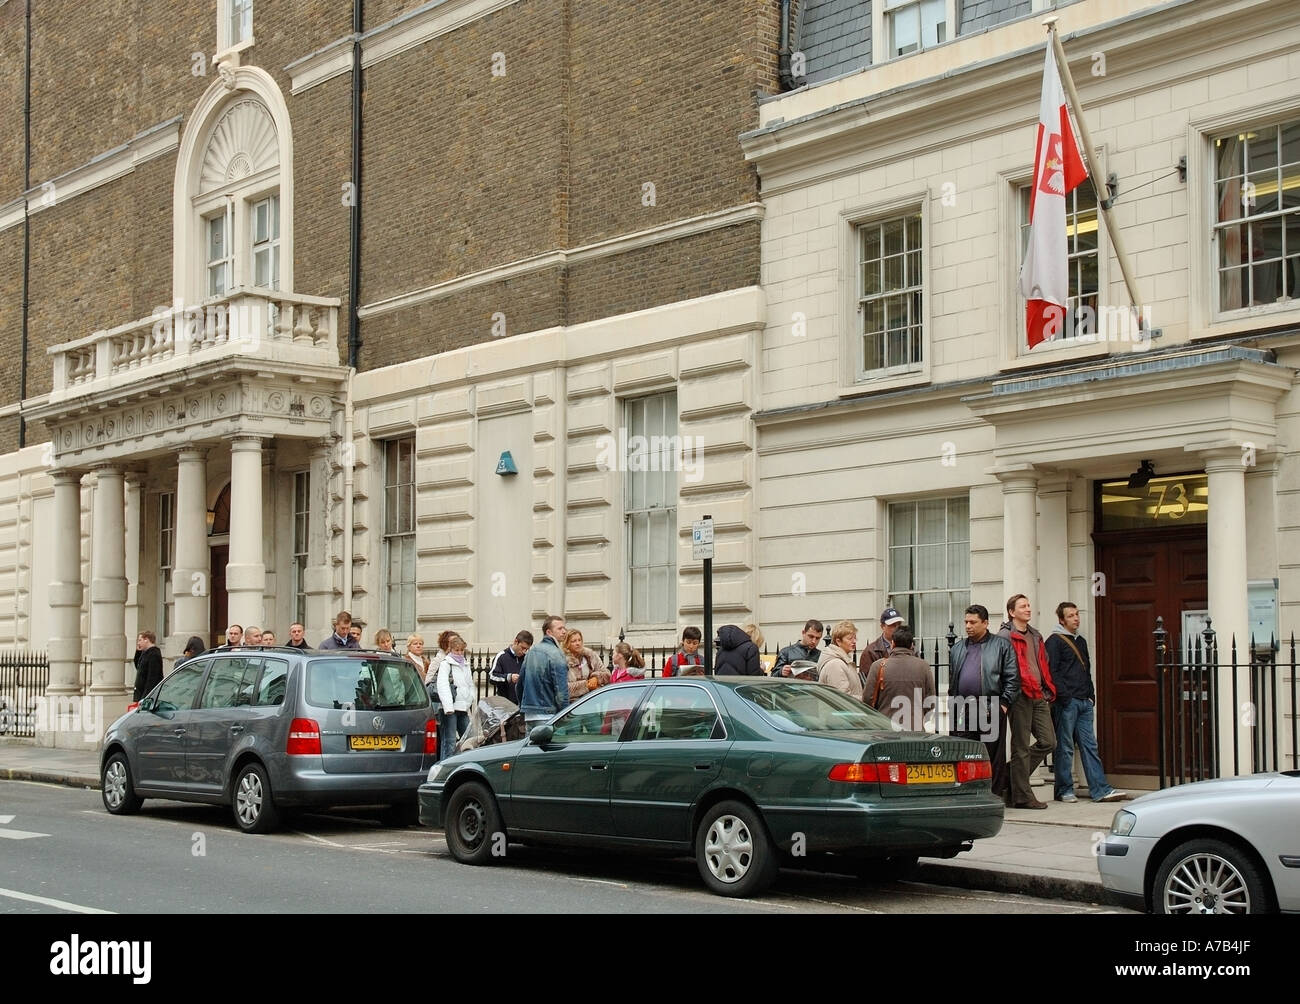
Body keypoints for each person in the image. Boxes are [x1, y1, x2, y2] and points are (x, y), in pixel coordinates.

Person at [1045, 602, 1127, 804]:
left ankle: (1100, 789)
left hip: (1084, 701)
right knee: (1064, 747)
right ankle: (1064, 790)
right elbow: (1052, 672)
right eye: (1071, 615)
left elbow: (1086, 670)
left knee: (1090, 746)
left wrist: (1091, 695)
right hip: (1067, 702)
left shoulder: (1080, 641)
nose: (1076, 618)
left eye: (1077, 614)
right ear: (1061, 620)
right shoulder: (1054, 642)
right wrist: (1065, 697)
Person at [948, 604, 1020, 805]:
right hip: (963, 708)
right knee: (963, 754)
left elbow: (1013, 678)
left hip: (991, 707)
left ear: (986, 623)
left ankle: (993, 798)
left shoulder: (1002, 646)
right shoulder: (958, 648)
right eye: (966, 622)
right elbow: (953, 679)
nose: (968, 626)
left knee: (991, 757)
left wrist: (1003, 705)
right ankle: (965, 796)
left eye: (973, 622)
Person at [999, 594, 1057, 810]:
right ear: (1012, 612)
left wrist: (1045, 688)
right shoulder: (1004, 636)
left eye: (1029, 605)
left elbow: (1043, 662)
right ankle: (1022, 796)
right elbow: (1002, 667)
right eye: (1023, 606)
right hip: (1019, 695)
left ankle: (1009, 776)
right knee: (1020, 746)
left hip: (1038, 694)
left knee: (1049, 741)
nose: (1028, 609)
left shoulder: (1035, 635)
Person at [863, 624, 935, 732]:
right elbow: (930, 701)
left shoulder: (878, 666)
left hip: (885, 728)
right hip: (914, 728)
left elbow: (867, 699)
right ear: (911, 645)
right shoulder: (923, 666)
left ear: (893, 643)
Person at [519, 615, 570, 730]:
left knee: (530, 748)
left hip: (530, 715)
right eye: (560, 628)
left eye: (564, 628)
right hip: (548, 715)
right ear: (549, 632)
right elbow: (561, 690)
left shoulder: (531, 652)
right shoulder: (556, 654)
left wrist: (523, 707)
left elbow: (520, 684)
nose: (564, 631)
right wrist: (565, 715)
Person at [435, 633, 474, 761]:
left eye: (461, 650)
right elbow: (443, 685)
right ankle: (444, 771)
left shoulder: (466, 664)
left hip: (463, 707)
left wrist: (470, 701)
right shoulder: (446, 663)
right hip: (449, 709)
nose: (459, 653)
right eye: (456, 650)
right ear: (450, 650)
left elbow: (470, 684)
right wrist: (448, 707)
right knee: (449, 742)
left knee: (469, 739)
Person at [816, 620, 863, 699]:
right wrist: (864, 700)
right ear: (838, 641)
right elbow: (843, 699)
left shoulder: (843, 661)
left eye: (855, 638)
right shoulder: (835, 665)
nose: (854, 641)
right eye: (850, 638)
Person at [564, 629, 610, 701]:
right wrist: (586, 685)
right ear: (567, 644)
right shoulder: (563, 660)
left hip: (591, 700)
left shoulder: (589, 655)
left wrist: (596, 678)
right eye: (574, 641)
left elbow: (607, 674)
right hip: (572, 704)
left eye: (579, 640)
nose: (578, 643)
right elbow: (563, 688)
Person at [489, 630, 532, 704]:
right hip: (505, 705)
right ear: (516, 642)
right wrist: (509, 677)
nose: (524, 651)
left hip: (522, 705)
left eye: (527, 649)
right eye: (523, 648)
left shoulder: (527, 659)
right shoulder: (501, 656)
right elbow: (492, 677)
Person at [859, 607, 904, 677]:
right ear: (882, 626)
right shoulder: (870, 652)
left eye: (899, 624)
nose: (897, 628)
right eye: (892, 625)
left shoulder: (909, 647)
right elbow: (866, 681)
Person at [132, 631, 163, 700]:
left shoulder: (154, 654)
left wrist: (145, 698)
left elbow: (152, 679)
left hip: (147, 696)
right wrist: (138, 651)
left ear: (146, 640)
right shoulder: (145, 653)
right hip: (141, 694)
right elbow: (138, 666)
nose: (138, 643)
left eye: (140, 640)